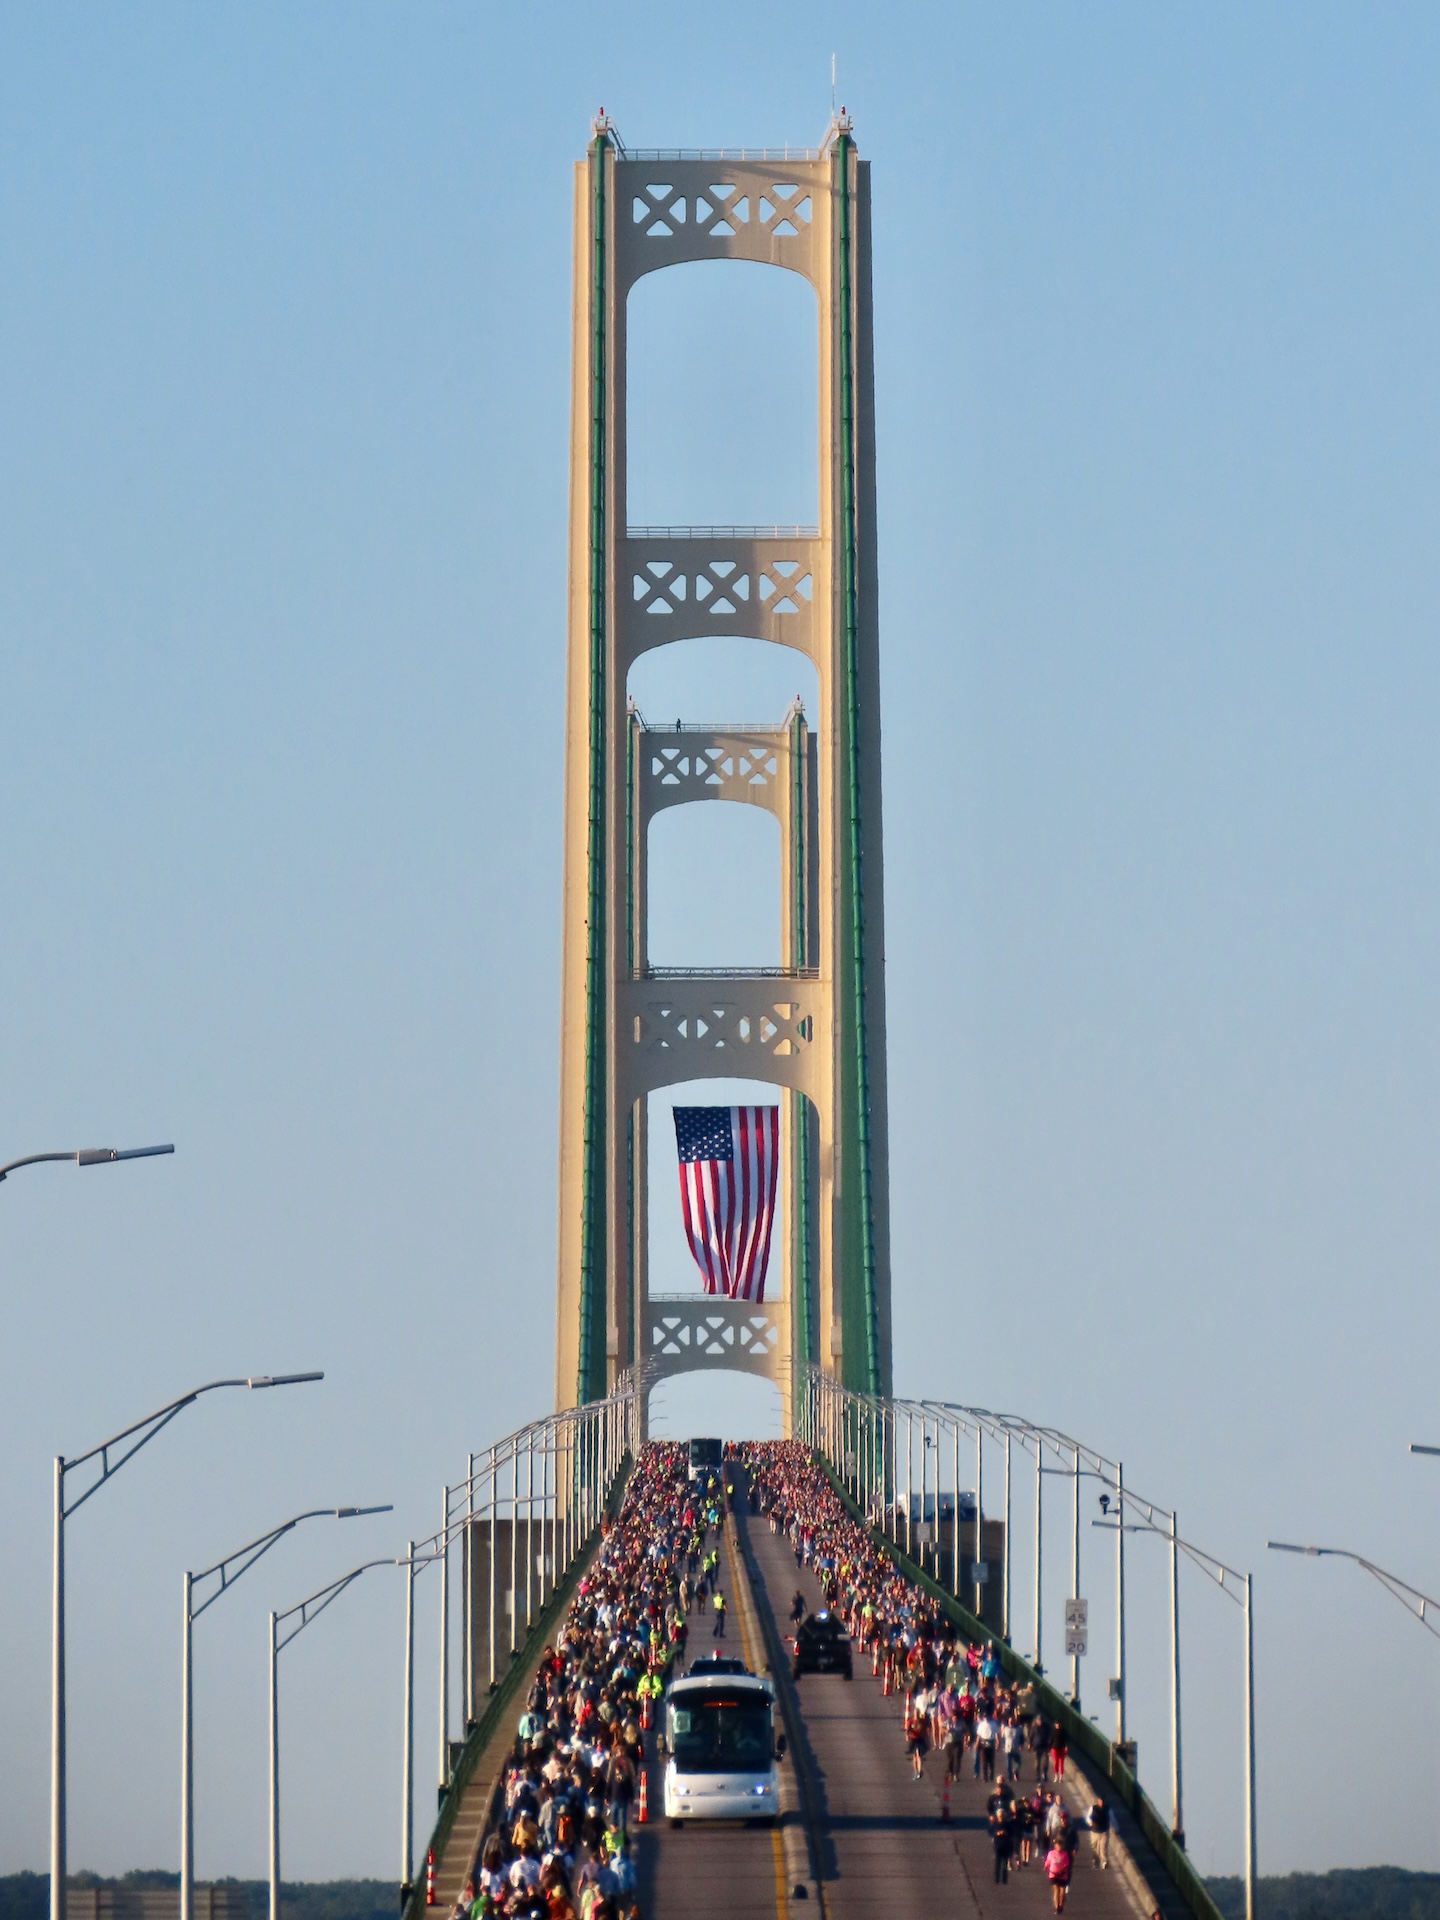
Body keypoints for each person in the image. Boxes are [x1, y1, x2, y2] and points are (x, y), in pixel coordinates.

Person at [988, 1784, 1016, 1884]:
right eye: (999, 1815)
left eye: (1001, 1815)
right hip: (998, 1844)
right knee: (997, 1863)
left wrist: (1005, 1832)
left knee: (1004, 1863)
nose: (1000, 1816)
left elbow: (1012, 1832)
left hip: (1006, 1844)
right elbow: (990, 1831)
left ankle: (1004, 1879)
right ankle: (996, 1879)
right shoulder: (995, 1823)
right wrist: (997, 1832)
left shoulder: (1007, 1823)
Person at [1044, 1834, 1074, 1913]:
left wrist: (1062, 1869)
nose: (1059, 1847)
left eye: (1060, 1845)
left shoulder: (1065, 1854)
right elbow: (1048, 1862)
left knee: (1062, 1893)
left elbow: (1067, 1864)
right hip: (1053, 1874)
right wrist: (1045, 1867)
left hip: (1062, 1875)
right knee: (1056, 1890)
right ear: (1055, 1845)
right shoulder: (1051, 1853)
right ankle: (1056, 1907)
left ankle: (1061, 1904)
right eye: (1057, 1845)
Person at [1086, 1797, 1111, 1869]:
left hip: (1104, 1831)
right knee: (1095, 1847)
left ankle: (1104, 1862)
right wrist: (1091, 1823)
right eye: (1100, 1801)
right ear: (1097, 1801)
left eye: (1102, 1801)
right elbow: (1088, 1817)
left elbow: (1112, 1818)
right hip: (1095, 1831)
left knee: (1103, 1847)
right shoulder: (1093, 1808)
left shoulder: (1108, 1809)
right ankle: (1095, 1861)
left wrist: (1117, 1828)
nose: (1101, 1803)